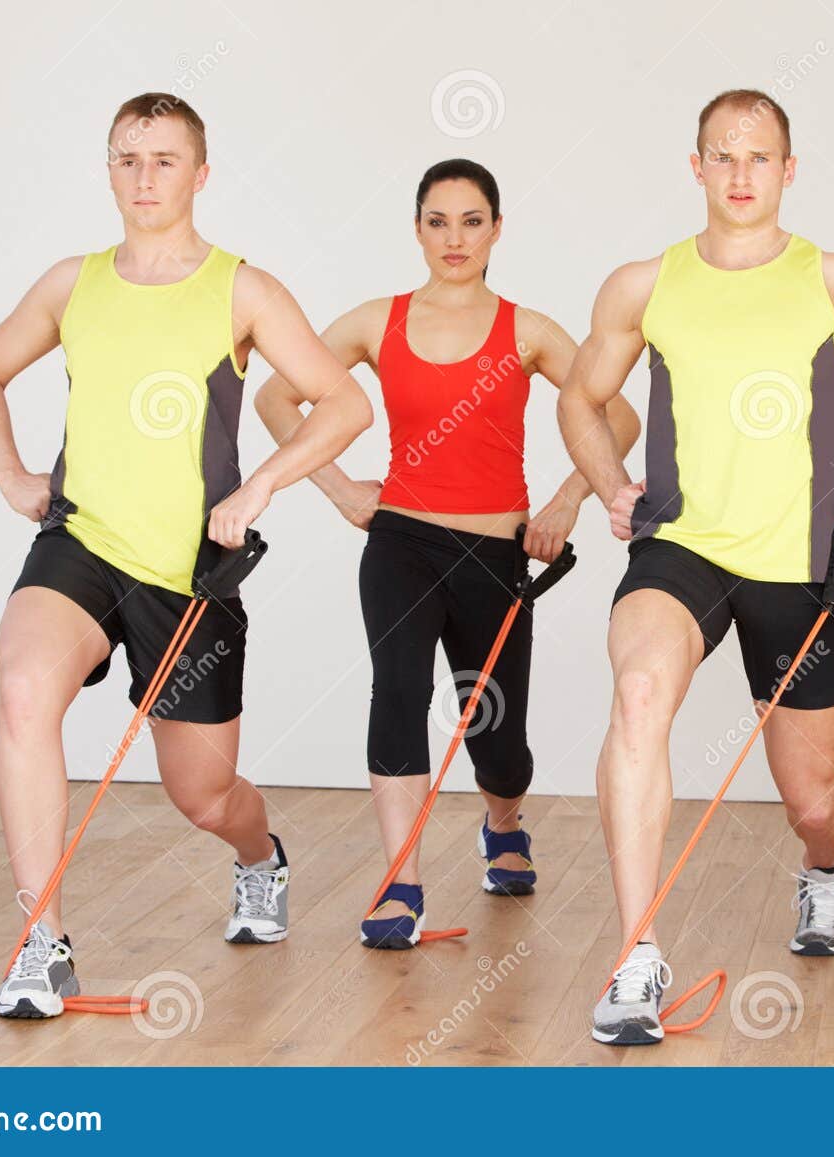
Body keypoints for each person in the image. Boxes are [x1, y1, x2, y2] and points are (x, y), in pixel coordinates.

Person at [0, 93, 374, 1017]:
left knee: (204, 792)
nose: (145, 177)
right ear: (108, 169)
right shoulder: (72, 283)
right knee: (24, 688)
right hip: (81, 544)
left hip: (190, 571)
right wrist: (13, 475)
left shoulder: (243, 289)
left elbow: (346, 403)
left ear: (200, 173)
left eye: (164, 160)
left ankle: (260, 859)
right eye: (128, 158)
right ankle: (42, 940)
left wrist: (259, 484)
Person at [557, 89, 834, 1045]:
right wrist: (610, 487)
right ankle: (638, 955)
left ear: (789, 169)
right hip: (682, 547)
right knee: (638, 691)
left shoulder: (832, 279)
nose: (740, 174)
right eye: (721, 156)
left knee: (815, 802)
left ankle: (822, 870)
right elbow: (580, 396)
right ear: (696, 168)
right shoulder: (646, 283)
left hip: (796, 568)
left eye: (758, 157)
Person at [256, 159, 639, 949]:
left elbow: (617, 414)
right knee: (396, 689)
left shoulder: (527, 330)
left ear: (497, 228)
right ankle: (401, 878)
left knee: (496, 737)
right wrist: (336, 487)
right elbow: (275, 395)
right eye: (438, 220)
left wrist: (568, 500)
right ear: (418, 228)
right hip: (399, 539)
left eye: (471, 221)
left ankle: (504, 822)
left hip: (496, 552)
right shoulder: (376, 320)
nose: (454, 237)